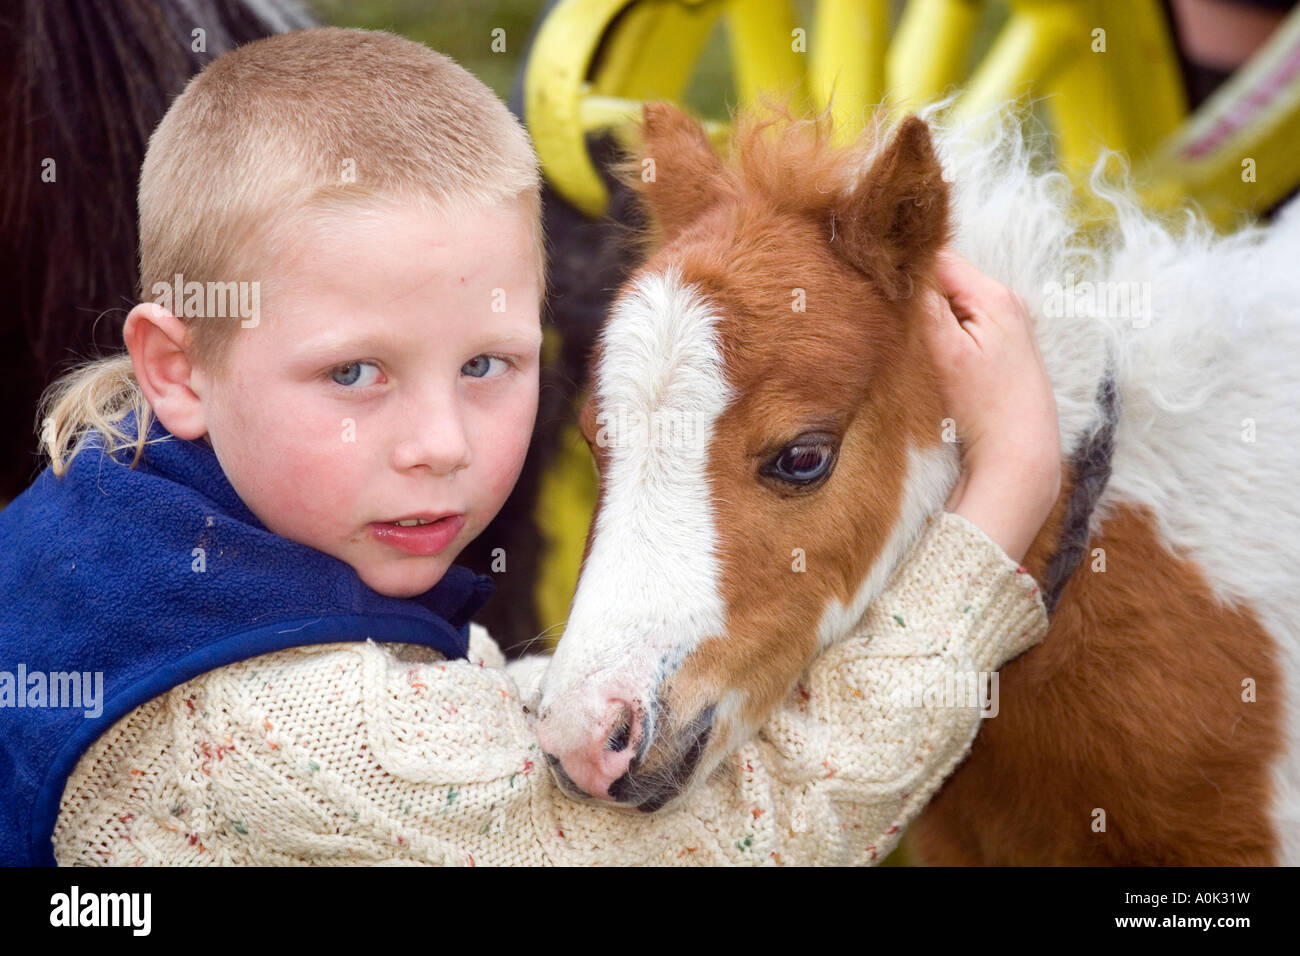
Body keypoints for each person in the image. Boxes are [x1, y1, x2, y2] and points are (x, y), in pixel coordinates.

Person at [0, 27, 1059, 866]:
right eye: (353, 373)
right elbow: (747, 839)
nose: (438, 445)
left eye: (487, 365)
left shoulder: (96, 523)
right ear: (178, 368)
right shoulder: (287, 732)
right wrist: (1006, 483)